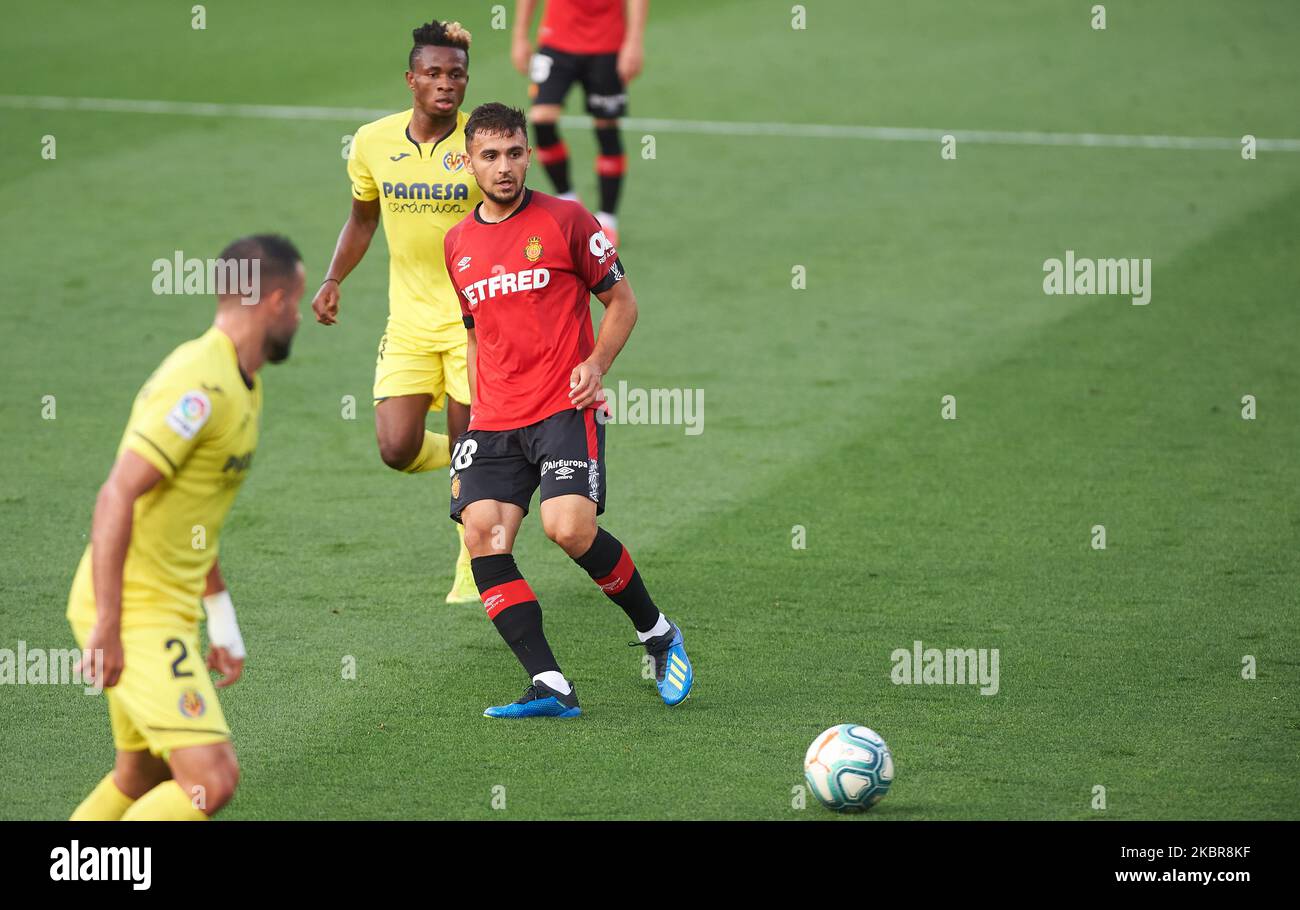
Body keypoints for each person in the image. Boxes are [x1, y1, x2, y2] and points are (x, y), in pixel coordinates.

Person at [443, 103, 692, 718]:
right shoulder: (458, 244)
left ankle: (657, 633)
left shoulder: (568, 221)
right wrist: (475, 421)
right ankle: (550, 685)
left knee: (568, 529)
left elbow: (623, 303)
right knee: (483, 536)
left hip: (562, 407)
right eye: (491, 156)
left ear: (529, 153)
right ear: (468, 162)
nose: (505, 167)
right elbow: (477, 335)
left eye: (516, 153)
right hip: (496, 419)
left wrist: (596, 365)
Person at [67, 234, 305, 819]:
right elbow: (116, 493)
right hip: (134, 608)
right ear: (274, 301)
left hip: (166, 607)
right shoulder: (200, 383)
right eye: (296, 302)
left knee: (141, 774)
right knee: (211, 780)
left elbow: (196, 514)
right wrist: (109, 622)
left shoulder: (245, 379)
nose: (300, 316)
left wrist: (220, 619)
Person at [313, 19, 482, 604]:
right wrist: (335, 278)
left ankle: (472, 560)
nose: (445, 83)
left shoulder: (479, 144)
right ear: (410, 79)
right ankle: (489, 462)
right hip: (408, 322)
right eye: (433, 73)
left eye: (455, 74)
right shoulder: (371, 141)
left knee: (469, 451)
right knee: (396, 448)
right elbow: (363, 218)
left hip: (472, 325)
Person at [511, 0, 649, 245]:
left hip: (607, 44)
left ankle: (607, 220)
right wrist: (520, 35)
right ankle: (567, 200)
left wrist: (634, 41)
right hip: (556, 43)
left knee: (606, 127)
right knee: (541, 119)